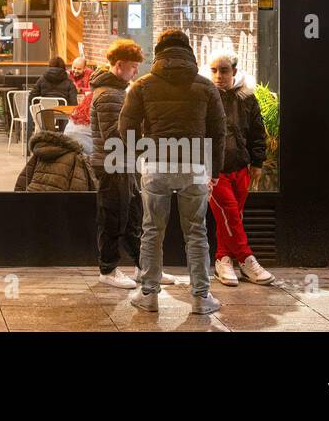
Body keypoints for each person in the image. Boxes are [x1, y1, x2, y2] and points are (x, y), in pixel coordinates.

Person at [118, 29, 226, 315]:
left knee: (152, 230)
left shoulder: (142, 85)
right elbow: (218, 132)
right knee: (196, 232)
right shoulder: (205, 87)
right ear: (188, 52)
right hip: (194, 166)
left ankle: (149, 295)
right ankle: (201, 298)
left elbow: (125, 127)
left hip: (156, 164)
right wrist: (214, 171)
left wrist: (140, 156)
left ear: (159, 53)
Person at [88, 39, 154, 289]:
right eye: (133, 67)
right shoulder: (108, 95)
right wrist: (144, 143)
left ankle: (142, 267)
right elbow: (113, 137)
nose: (136, 72)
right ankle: (108, 269)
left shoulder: (115, 92)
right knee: (113, 216)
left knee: (133, 216)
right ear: (119, 65)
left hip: (121, 164)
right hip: (111, 164)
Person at [207, 53, 274, 287]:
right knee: (230, 214)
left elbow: (257, 131)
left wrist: (257, 162)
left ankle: (223, 259)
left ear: (234, 71)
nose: (218, 75)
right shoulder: (207, 96)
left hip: (240, 166)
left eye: (223, 70)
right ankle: (247, 259)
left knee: (232, 217)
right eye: (214, 70)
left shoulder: (247, 98)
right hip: (214, 169)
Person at [14, 128, 95, 192]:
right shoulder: (77, 158)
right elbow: (78, 191)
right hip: (58, 207)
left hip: (31, 205)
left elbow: (20, 185)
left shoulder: (38, 153)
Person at [29, 55, 77, 135]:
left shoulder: (42, 79)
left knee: (44, 113)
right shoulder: (69, 82)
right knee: (65, 110)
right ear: (64, 67)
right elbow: (74, 102)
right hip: (62, 113)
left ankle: (45, 134)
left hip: (45, 111)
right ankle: (63, 136)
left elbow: (32, 97)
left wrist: (41, 103)